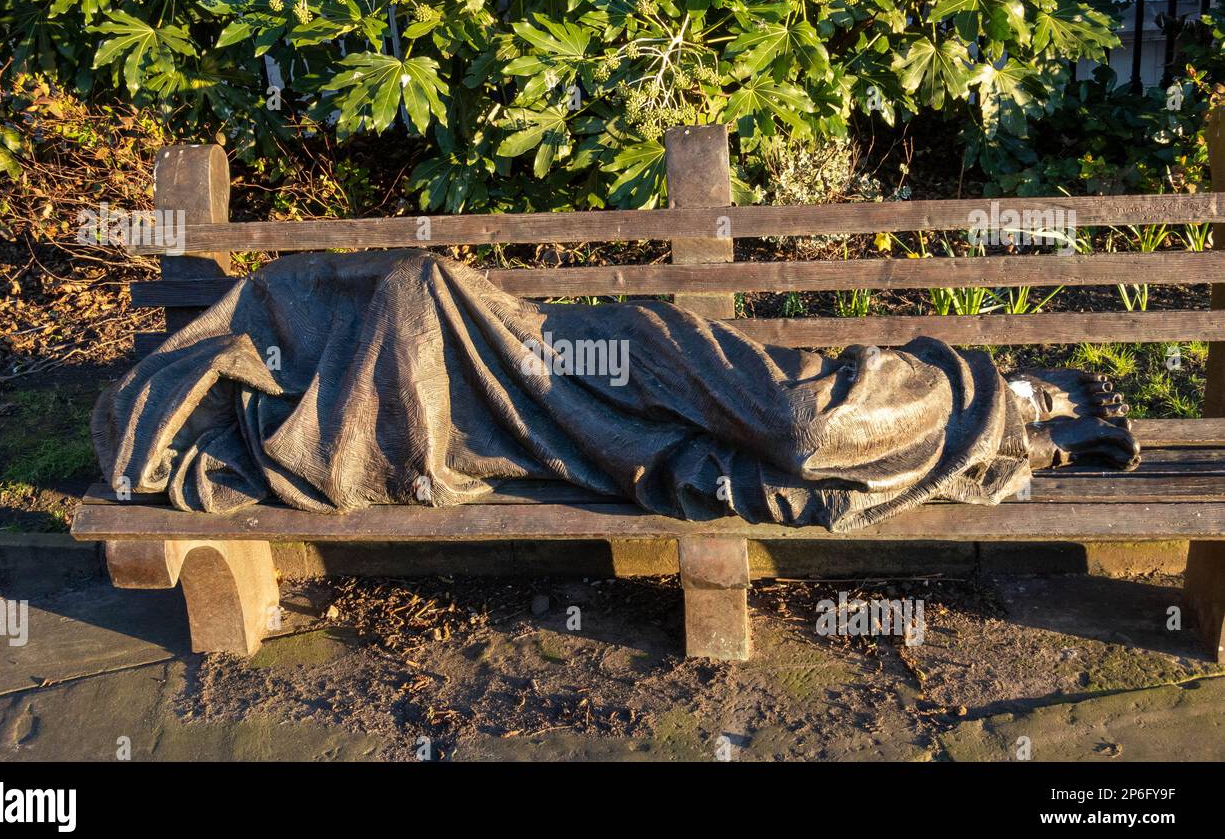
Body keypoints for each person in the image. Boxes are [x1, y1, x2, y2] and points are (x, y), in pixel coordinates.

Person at [93, 250, 1139, 532]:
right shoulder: (275, 409)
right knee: (796, 471)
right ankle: (1009, 427)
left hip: (603, 369)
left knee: (803, 426)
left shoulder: (300, 307)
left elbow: (422, 298)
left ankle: (1000, 407)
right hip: (578, 421)